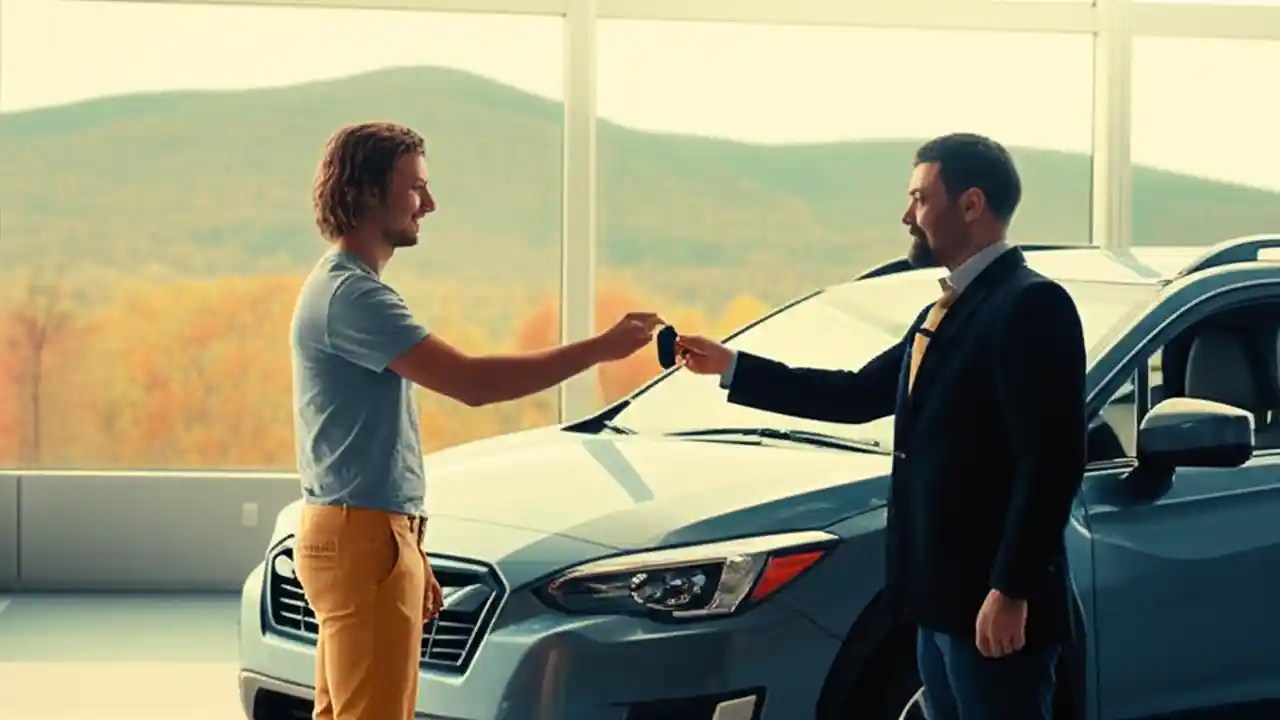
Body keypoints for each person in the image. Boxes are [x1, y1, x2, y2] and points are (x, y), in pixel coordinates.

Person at [676, 133, 1086, 720]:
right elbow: (858, 393)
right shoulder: (944, 312)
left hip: (991, 608)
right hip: (939, 605)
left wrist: (1011, 590)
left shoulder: (1032, 306)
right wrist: (733, 367)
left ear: (970, 205)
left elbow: (1050, 461)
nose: (906, 216)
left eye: (919, 198)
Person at [289, 121, 664, 720]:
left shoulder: (340, 289)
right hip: (362, 538)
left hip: (366, 535)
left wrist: (407, 551)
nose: (429, 205)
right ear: (364, 194)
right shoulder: (354, 297)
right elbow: (474, 383)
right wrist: (599, 349)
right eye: (414, 189)